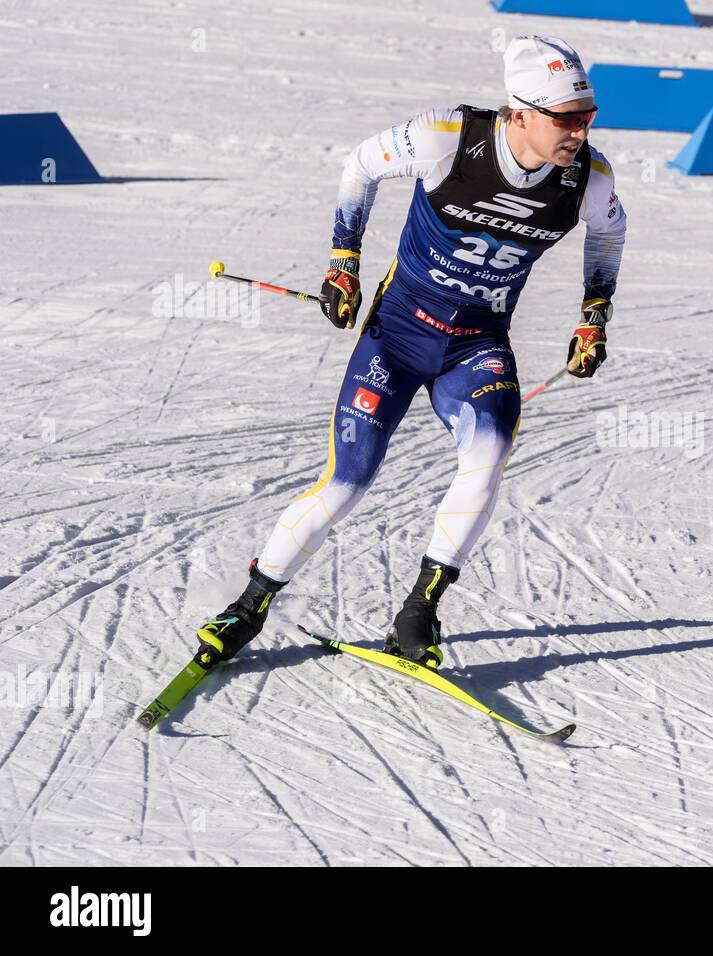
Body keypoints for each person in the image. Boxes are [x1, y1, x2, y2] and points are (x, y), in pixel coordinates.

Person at [193, 35, 626, 671]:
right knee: (349, 480)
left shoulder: (589, 178)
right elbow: (360, 165)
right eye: (567, 119)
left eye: (588, 118)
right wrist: (344, 262)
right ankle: (250, 605)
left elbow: (610, 236)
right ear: (522, 113)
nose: (581, 132)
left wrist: (593, 318)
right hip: (397, 336)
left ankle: (419, 610)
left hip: (477, 343)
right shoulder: (446, 137)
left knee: (489, 456)